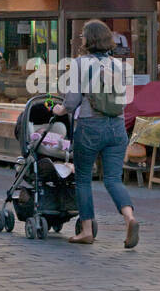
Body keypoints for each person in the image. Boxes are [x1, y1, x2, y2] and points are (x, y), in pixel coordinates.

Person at [54, 19, 140, 249]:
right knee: (113, 179)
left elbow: (71, 102)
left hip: (91, 126)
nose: (81, 38)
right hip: (117, 127)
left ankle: (87, 231)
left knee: (82, 179)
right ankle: (129, 217)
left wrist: (59, 109)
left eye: (83, 35)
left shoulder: (81, 64)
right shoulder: (121, 65)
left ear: (88, 39)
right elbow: (124, 99)